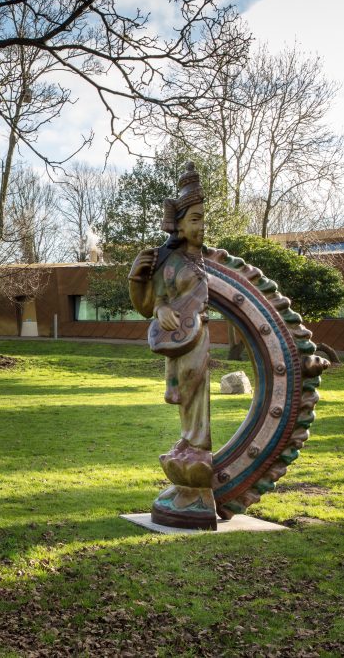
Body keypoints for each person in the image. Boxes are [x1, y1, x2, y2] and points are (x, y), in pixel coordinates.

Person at [127, 162, 216, 529]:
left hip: (198, 337)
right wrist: (157, 303)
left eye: (202, 219)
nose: (200, 227)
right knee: (184, 391)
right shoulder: (168, 260)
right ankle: (189, 445)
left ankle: (198, 450)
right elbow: (150, 303)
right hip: (177, 338)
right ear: (178, 225)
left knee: (198, 388)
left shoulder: (204, 260)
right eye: (194, 220)